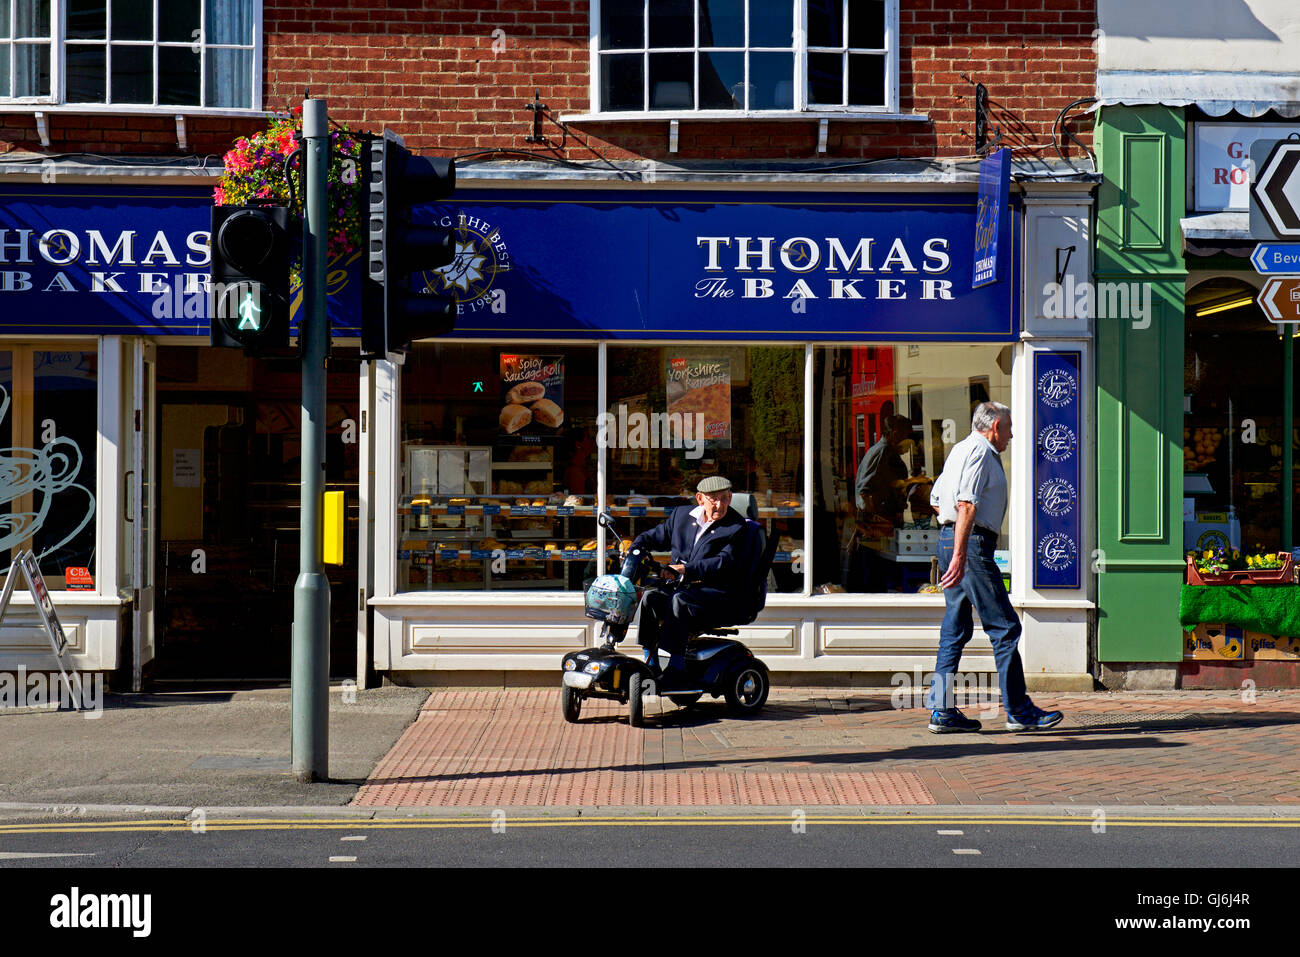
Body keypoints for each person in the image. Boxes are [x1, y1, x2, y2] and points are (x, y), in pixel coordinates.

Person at [925, 401, 1063, 733]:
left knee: (955, 629)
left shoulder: (960, 449)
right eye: (1010, 428)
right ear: (995, 426)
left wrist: (951, 542)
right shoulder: (981, 452)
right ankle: (1019, 710)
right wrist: (961, 553)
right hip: (969, 543)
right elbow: (966, 504)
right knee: (1005, 628)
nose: (1012, 435)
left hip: (952, 539)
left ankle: (941, 711)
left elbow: (935, 498)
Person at [632, 475, 750, 688]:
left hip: (716, 591)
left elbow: (723, 563)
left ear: (731, 498)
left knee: (680, 600)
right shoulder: (681, 516)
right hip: (681, 588)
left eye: (725, 498)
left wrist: (686, 569)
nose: (720, 504)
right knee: (650, 597)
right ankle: (650, 660)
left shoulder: (736, 527)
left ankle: (676, 666)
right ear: (699, 498)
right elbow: (656, 535)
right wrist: (635, 547)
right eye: (713, 499)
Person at [854, 414, 913, 528]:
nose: (908, 441)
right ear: (895, 434)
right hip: (881, 523)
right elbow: (864, 492)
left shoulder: (885, 451)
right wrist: (878, 520)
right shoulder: (883, 453)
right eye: (906, 436)